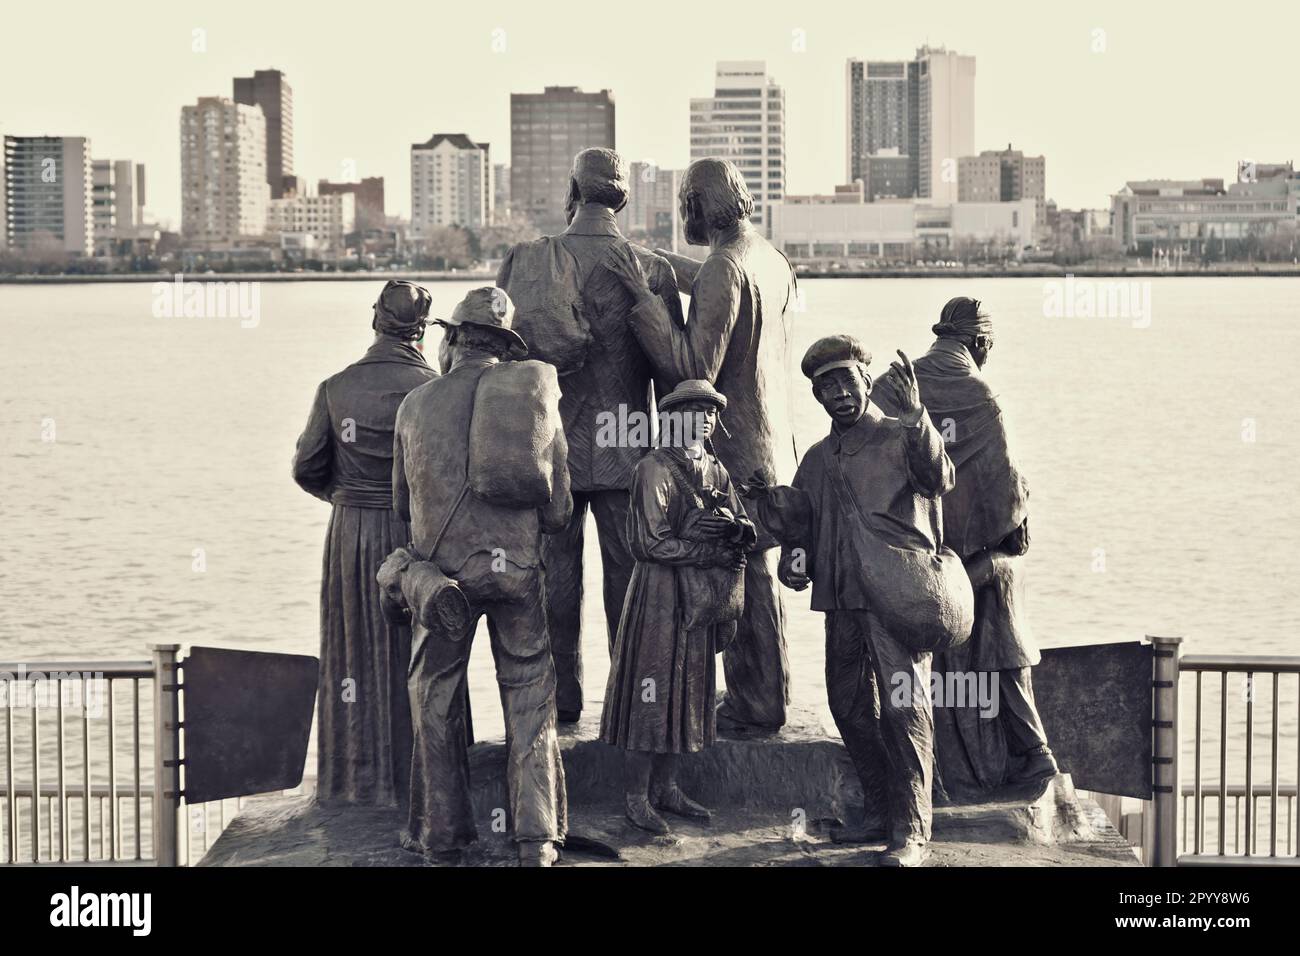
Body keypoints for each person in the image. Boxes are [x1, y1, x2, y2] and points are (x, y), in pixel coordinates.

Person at [604, 157, 797, 733]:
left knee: (745, 573)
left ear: (692, 206)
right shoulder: (770, 258)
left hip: (734, 452)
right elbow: (727, 290)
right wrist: (667, 265)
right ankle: (766, 694)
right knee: (757, 572)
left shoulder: (722, 269)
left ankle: (758, 703)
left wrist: (646, 299)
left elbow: (693, 371)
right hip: (774, 445)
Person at [748, 336, 955, 866]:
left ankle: (912, 829)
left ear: (866, 382)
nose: (838, 393)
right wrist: (795, 560)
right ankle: (879, 810)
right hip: (841, 600)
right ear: (817, 397)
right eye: (825, 387)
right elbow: (803, 530)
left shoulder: (899, 436)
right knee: (849, 706)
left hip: (897, 599)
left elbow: (939, 478)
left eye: (845, 381)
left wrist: (916, 418)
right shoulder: (818, 459)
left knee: (905, 706)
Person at [498, 148, 683, 723]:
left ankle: (561, 702)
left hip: (548, 452)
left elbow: (498, 359)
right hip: (628, 453)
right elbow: (673, 374)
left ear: (573, 192)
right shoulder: (651, 269)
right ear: (623, 199)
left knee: (554, 581)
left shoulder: (527, 262)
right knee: (632, 586)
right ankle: (631, 706)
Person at [393, 287, 572, 867]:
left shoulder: (414, 405)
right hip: (517, 573)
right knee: (528, 695)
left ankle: (443, 835)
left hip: (443, 581)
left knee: (435, 697)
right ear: (505, 348)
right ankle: (536, 838)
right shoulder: (534, 400)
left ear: (452, 340)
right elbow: (560, 510)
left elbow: (401, 506)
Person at [872, 297, 1057, 794]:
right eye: (988, 346)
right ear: (978, 342)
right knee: (1001, 619)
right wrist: (1013, 526)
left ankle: (947, 767)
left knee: (936, 663)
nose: (988, 354)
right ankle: (1029, 753)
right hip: (973, 560)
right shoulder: (981, 393)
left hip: (913, 556)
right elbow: (1005, 482)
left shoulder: (895, 385)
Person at [291, 280, 436, 806]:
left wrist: (346, 496)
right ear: (421, 330)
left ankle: (351, 782)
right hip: (415, 536)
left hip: (351, 533)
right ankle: (424, 784)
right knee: (425, 655)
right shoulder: (433, 388)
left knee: (352, 651)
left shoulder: (335, 388)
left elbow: (307, 466)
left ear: (375, 318)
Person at [600, 380, 755, 834]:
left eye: (711, 411)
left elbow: (743, 521)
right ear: (673, 417)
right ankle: (635, 797)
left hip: (700, 600)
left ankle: (667, 788)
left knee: (687, 691)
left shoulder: (716, 469)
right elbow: (649, 544)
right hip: (660, 596)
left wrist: (737, 529)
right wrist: (707, 548)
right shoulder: (653, 469)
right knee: (650, 691)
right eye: (695, 410)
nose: (705, 418)